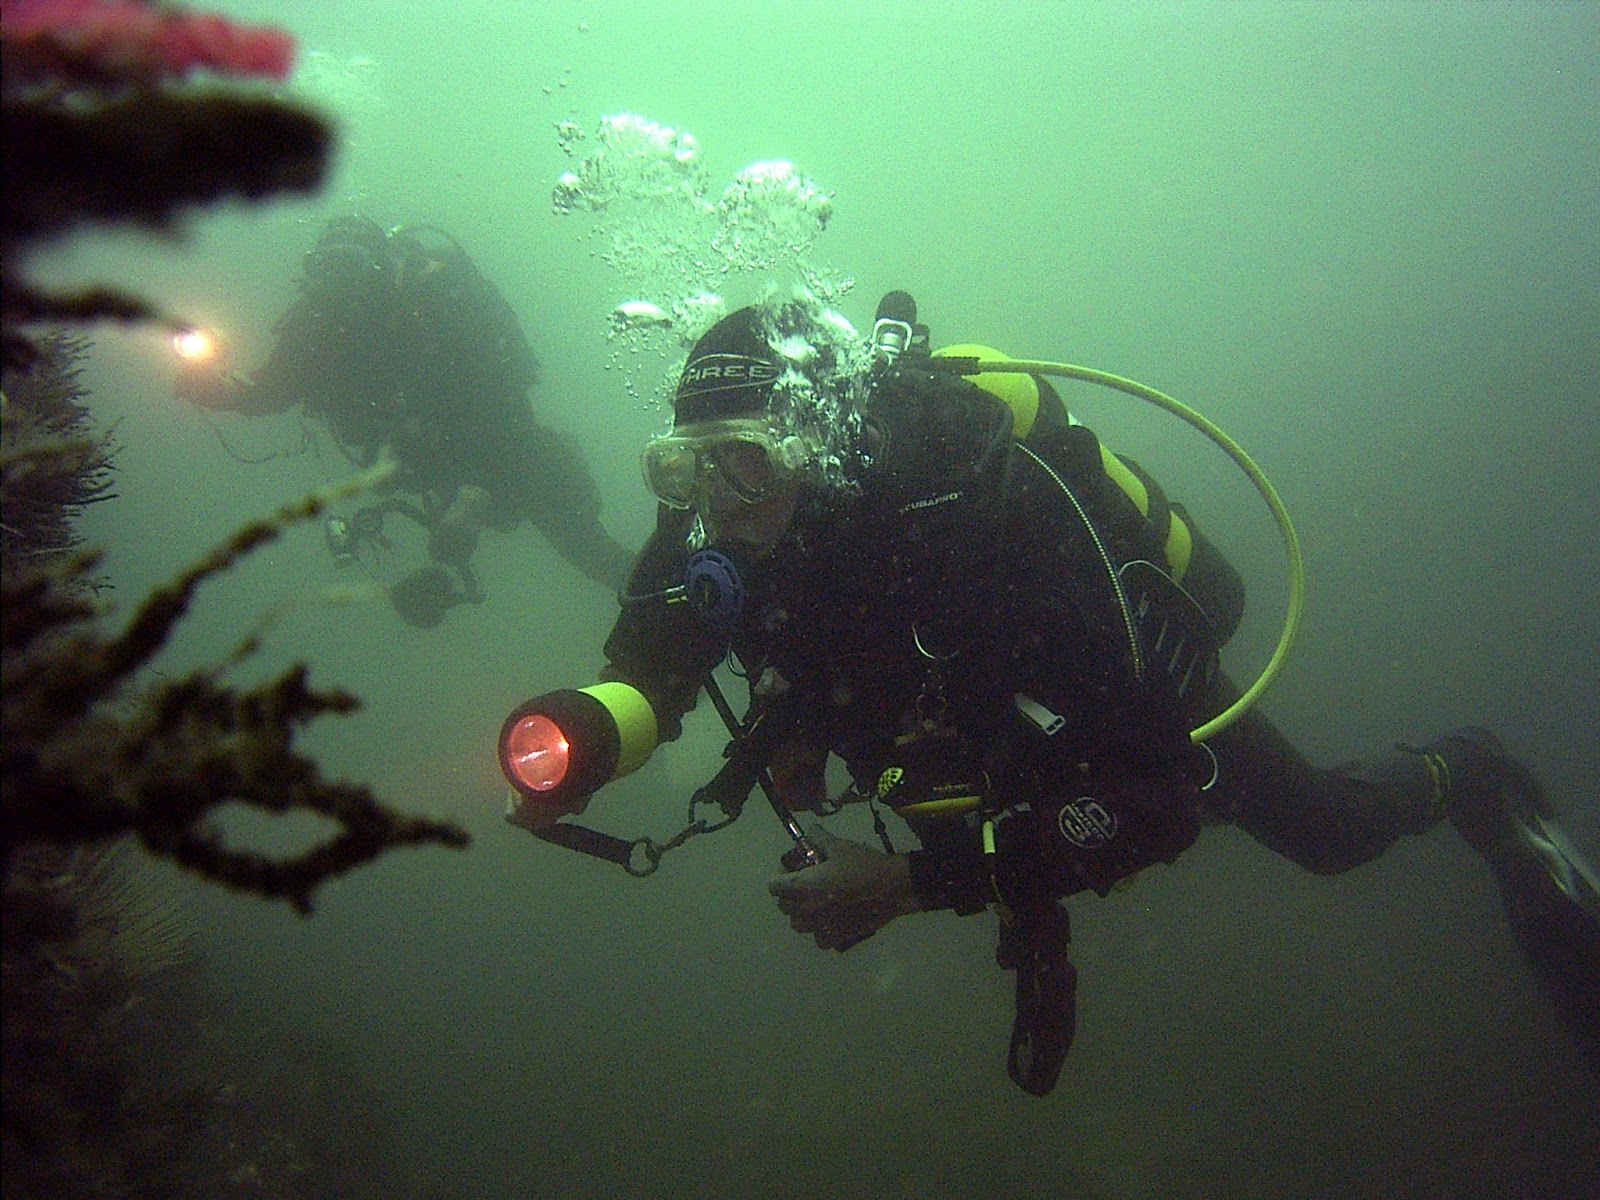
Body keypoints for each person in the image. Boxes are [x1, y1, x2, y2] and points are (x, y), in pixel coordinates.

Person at [503, 292, 1599, 1096]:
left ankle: (1469, 769)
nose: (710, 504)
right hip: (966, 745)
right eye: (681, 470)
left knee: (1322, 831)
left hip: (1115, 709)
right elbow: (650, 667)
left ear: (819, 448)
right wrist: (585, 743)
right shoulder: (716, 527)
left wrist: (910, 882)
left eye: (741, 462)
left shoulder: (982, 522)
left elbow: (1154, 803)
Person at [175, 215, 633, 627]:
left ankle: (676, 600)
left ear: (378, 268)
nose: (337, 286)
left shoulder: (439, 304)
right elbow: (273, 389)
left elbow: (502, 394)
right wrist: (225, 391)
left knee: (590, 550)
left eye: (349, 267)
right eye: (325, 269)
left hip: (507, 455)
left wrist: (475, 493)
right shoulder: (318, 325)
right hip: (427, 475)